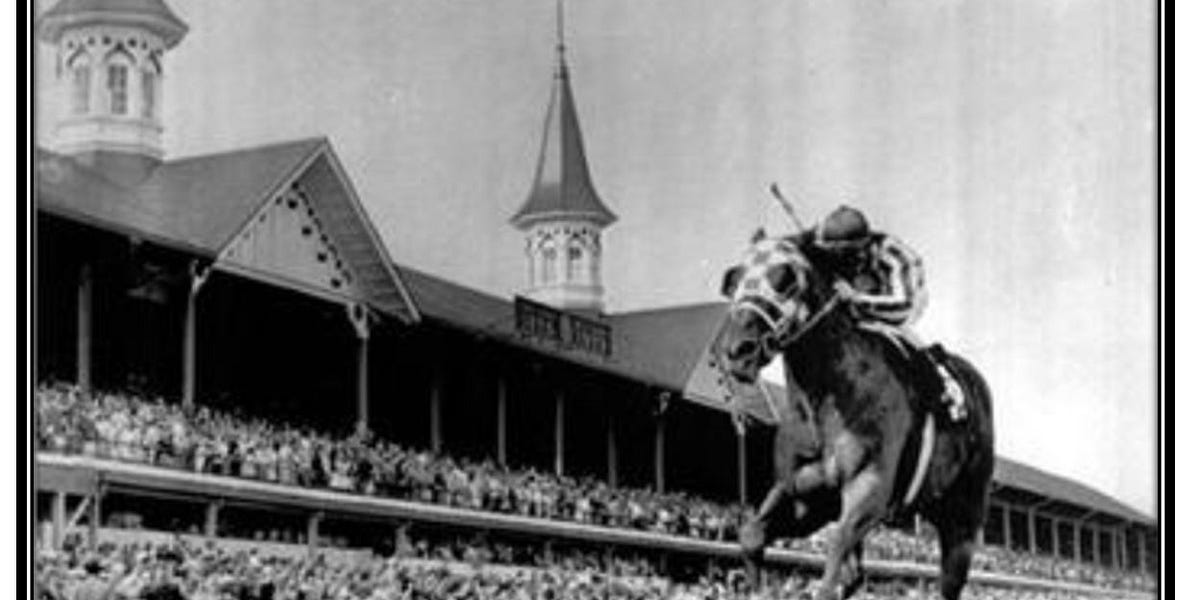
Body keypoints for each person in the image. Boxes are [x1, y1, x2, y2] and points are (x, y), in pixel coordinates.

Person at [809, 205, 966, 421]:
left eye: (841, 255)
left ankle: (943, 387)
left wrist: (856, 298)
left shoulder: (898, 258)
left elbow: (904, 306)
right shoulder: (838, 250)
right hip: (863, 291)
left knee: (894, 333)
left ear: (860, 250)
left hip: (901, 304)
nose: (836, 261)